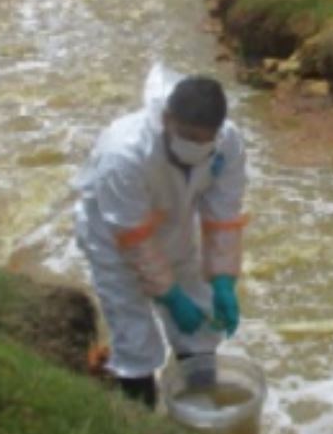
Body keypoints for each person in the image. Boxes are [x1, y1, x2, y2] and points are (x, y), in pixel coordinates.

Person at [74, 66, 248, 408]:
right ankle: (143, 431)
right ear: (167, 119)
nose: (196, 146)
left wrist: (224, 279)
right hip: (114, 240)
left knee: (200, 331)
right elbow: (134, 240)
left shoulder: (227, 143)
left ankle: (199, 410)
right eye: (187, 135)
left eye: (204, 139)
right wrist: (170, 296)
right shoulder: (123, 154)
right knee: (136, 341)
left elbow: (223, 215)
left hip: (175, 233)